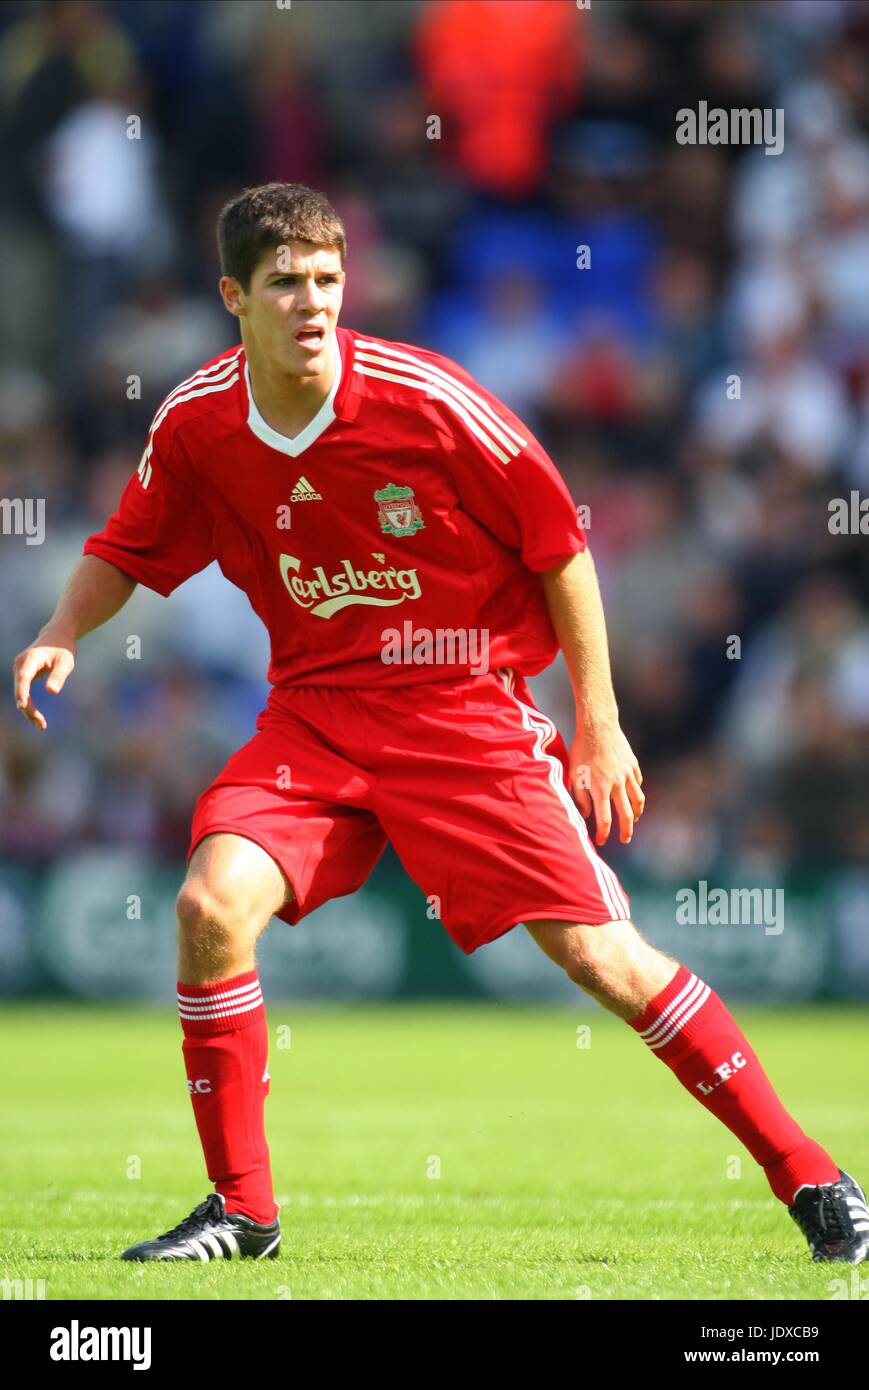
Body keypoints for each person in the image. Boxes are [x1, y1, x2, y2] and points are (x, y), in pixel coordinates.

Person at [13, 183, 867, 1266]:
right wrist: (61, 628)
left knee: (602, 959)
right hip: (315, 716)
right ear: (233, 295)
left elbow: (560, 546)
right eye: (285, 283)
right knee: (208, 906)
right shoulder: (195, 421)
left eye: (327, 279)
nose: (312, 302)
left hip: (461, 715)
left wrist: (597, 724)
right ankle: (243, 1211)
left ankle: (810, 1175)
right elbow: (128, 545)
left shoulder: (431, 399)